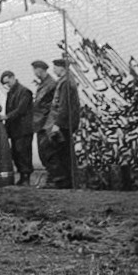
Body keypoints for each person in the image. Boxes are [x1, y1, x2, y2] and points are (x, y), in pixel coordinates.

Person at [44, 57, 81, 189]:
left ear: (62, 68)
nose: (54, 70)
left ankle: (61, 181)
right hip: (66, 123)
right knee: (64, 153)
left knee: (56, 152)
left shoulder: (65, 83)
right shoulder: (67, 81)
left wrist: (57, 124)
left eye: (55, 67)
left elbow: (64, 106)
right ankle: (67, 182)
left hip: (63, 124)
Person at [0, 70, 34, 185]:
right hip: (15, 129)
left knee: (23, 152)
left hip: (24, 129)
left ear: (13, 77)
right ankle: (22, 176)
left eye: (8, 81)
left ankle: (26, 177)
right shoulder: (11, 93)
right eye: (5, 84)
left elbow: (21, 110)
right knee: (16, 153)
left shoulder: (24, 92)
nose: (7, 85)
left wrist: (6, 117)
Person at [31, 59, 57, 185]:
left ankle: (54, 179)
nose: (35, 73)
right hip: (41, 123)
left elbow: (48, 105)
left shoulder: (50, 84)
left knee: (48, 152)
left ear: (40, 70)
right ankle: (52, 178)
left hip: (46, 124)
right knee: (44, 153)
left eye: (35, 70)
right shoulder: (44, 83)